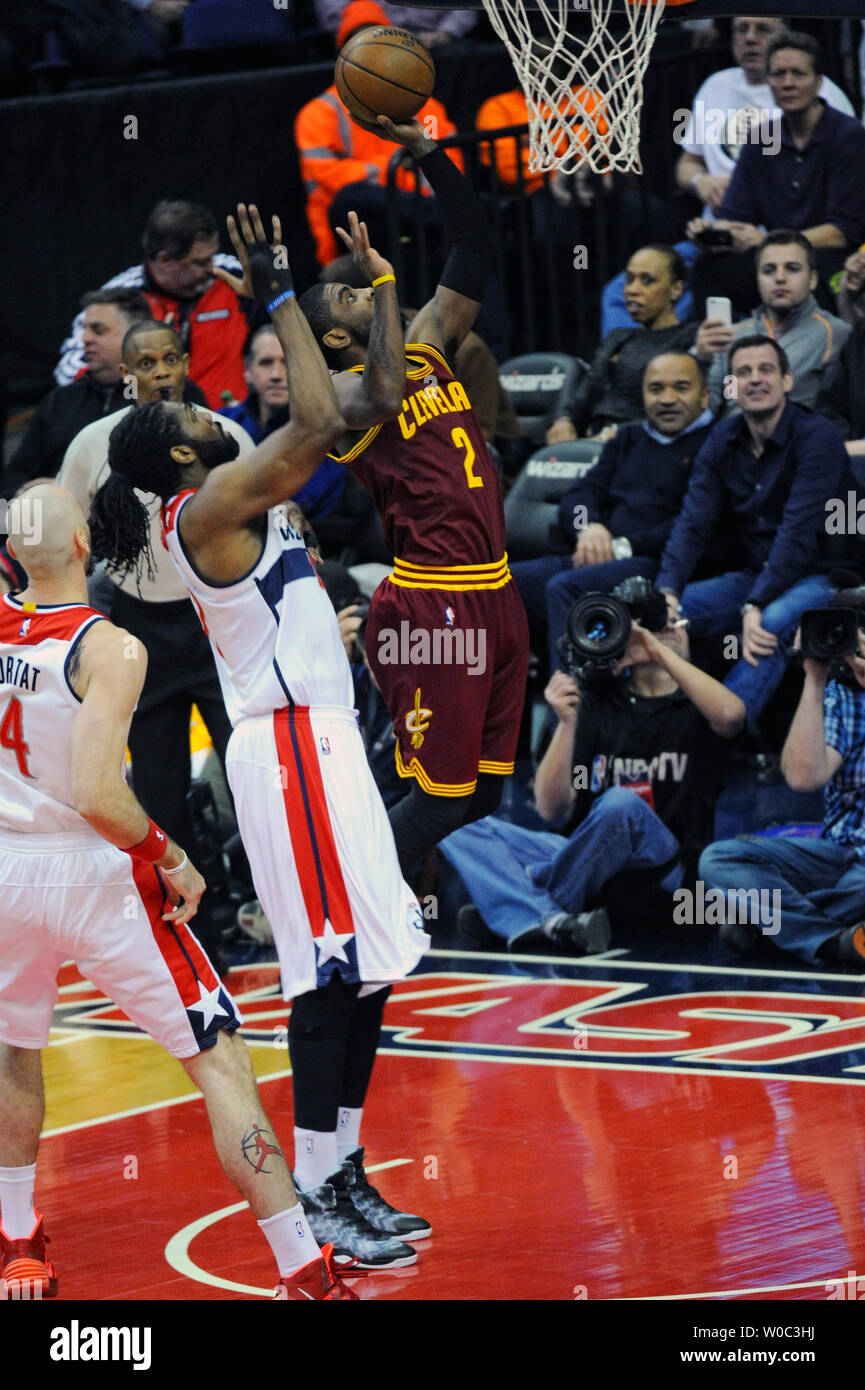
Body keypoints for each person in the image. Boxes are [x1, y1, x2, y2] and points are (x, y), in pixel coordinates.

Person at [91, 204, 432, 1269]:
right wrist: (283, 287)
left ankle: (343, 1168)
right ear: (177, 461)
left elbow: (377, 396)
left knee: (368, 965)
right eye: (192, 417)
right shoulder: (204, 510)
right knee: (323, 973)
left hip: (320, 741)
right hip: (285, 749)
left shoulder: (233, 478)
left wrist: (374, 295)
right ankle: (319, 1186)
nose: (199, 406)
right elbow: (324, 425)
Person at [0, 484, 359, 1302]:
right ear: (88, 547)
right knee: (217, 1057)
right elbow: (97, 792)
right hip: (91, 869)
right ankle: (302, 1266)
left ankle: (18, 1239)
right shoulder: (109, 647)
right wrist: (172, 857)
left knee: (16, 1049)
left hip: (5, 866)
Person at [296, 118, 530, 880]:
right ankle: (338, 903)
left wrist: (431, 156)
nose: (361, 286)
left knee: (483, 796)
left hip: (494, 591)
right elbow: (384, 388)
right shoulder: (338, 394)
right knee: (434, 800)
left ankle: (364, 898)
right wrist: (389, 283)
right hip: (432, 604)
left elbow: (477, 248)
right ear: (333, 337)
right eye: (347, 293)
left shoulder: (427, 346)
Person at [57, 320, 254, 967]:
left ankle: (266, 904)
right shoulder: (93, 444)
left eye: (172, 357)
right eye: (147, 361)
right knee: (161, 786)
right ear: (127, 371)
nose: (162, 370)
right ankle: (196, 924)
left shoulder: (219, 435)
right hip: (140, 627)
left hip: (217, 622)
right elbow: (61, 528)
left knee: (250, 773)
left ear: (186, 361)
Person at [442, 610, 742, 953]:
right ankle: (551, 921)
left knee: (621, 803)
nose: (662, 632)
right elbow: (550, 808)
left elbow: (732, 716)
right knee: (451, 817)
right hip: (585, 855)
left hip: (666, 865)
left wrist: (659, 653)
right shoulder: (598, 702)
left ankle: (522, 907)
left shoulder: (699, 705)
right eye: (650, 626)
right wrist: (567, 723)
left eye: (673, 623)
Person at [656, 334, 859, 728]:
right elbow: (692, 523)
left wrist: (756, 604)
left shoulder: (817, 438)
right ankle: (657, 727)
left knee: (770, 621)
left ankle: (720, 727)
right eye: (743, 372)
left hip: (826, 572)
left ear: (787, 381)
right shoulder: (724, 438)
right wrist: (666, 592)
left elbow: (797, 535)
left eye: (766, 369)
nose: (754, 379)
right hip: (759, 574)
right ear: (730, 387)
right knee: (665, 615)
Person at [511, 351, 715, 674]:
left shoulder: (715, 443)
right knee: (501, 583)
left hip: (658, 564)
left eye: (681, 387)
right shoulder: (628, 438)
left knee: (565, 587)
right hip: (599, 554)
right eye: (656, 389)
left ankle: (570, 713)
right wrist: (588, 527)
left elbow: (696, 524)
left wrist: (623, 546)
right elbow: (577, 497)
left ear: (704, 397)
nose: (667, 399)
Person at [700, 577, 865, 969]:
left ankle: (766, 924)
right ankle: (826, 940)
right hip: (837, 853)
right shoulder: (838, 690)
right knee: (719, 860)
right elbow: (803, 778)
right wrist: (813, 677)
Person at [688, 32, 865, 318]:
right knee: (710, 266)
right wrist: (715, 234)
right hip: (775, 255)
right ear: (768, 83)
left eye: (798, 74)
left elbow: (842, 233)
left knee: (808, 271)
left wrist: (768, 243)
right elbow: (735, 216)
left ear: (819, 82)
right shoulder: (761, 138)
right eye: (778, 74)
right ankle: (716, 349)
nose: (788, 83)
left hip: (832, 256)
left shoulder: (848, 136)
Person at [295, 1, 462, 268]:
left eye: (379, 47)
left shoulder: (428, 108)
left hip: (425, 233)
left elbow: (450, 170)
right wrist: (398, 170)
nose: (371, 56)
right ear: (344, 54)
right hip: (355, 243)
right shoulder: (319, 113)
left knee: (462, 220)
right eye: (361, 47)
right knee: (355, 196)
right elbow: (333, 181)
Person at [55, 200, 256, 408]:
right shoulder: (118, 297)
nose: (211, 268)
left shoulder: (233, 275)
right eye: (201, 262)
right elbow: (68, 369)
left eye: (212, 257)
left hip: (230, 424)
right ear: (166, 261)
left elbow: (283, 326)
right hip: (150, 427)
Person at [675, 14, 853, 219]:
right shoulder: (715, 85)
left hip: (792, 228)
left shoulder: (819, 92)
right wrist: (701, 181)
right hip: (719, 225)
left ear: (786, 35)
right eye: (741, 29)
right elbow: (687, 163)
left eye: (763, 29)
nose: (750, 38)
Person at [1, 288, 151, 499]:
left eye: (98, 330)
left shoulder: (163, 397)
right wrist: (21, 495)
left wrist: (70, 487)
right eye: (84, 329)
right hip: (52, 518)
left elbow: (160, 476)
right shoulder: (61, 399)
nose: (85, 339)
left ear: (134, 336)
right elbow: (17, 471)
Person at [546, 246, 697, 443]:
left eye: (647, 280)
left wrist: (618, 435)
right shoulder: (617, 337)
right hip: (594, 441)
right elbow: (587, 392)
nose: (632, 290)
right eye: (629, 279)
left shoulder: (690, 337)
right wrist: (564, 420)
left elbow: (678, 410)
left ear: (676, 289)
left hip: (646, 446)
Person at [696, 229, 851, 413]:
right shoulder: (732, 335)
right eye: (769, 270)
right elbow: (722, 400)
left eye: (792, 269)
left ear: (812, 279)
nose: (779, 278)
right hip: (733, 436)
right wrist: (701, 363)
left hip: (799, 437)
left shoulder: (837, 334)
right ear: (758, 280)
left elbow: (836, 413)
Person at [312, 0, 477, 48]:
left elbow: (466, 7)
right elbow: (333, 16)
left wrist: (446, 32)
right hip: (376, 43)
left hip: (441, 43)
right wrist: (388, 37)